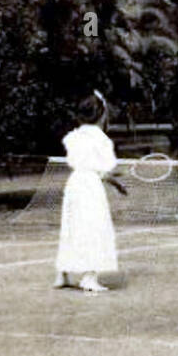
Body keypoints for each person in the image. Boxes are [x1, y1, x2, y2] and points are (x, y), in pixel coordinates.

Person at [54, 90, 121, 292]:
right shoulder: (102, 140)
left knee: (71, 226)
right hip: (90, 187)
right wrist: (114, 179)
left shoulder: (72, 137)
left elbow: (82, 163)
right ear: (101, 115)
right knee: (94, 228)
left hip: (74, 184)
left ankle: (63, 273)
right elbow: (107, 168)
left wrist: (111, 180)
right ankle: (89, 277)